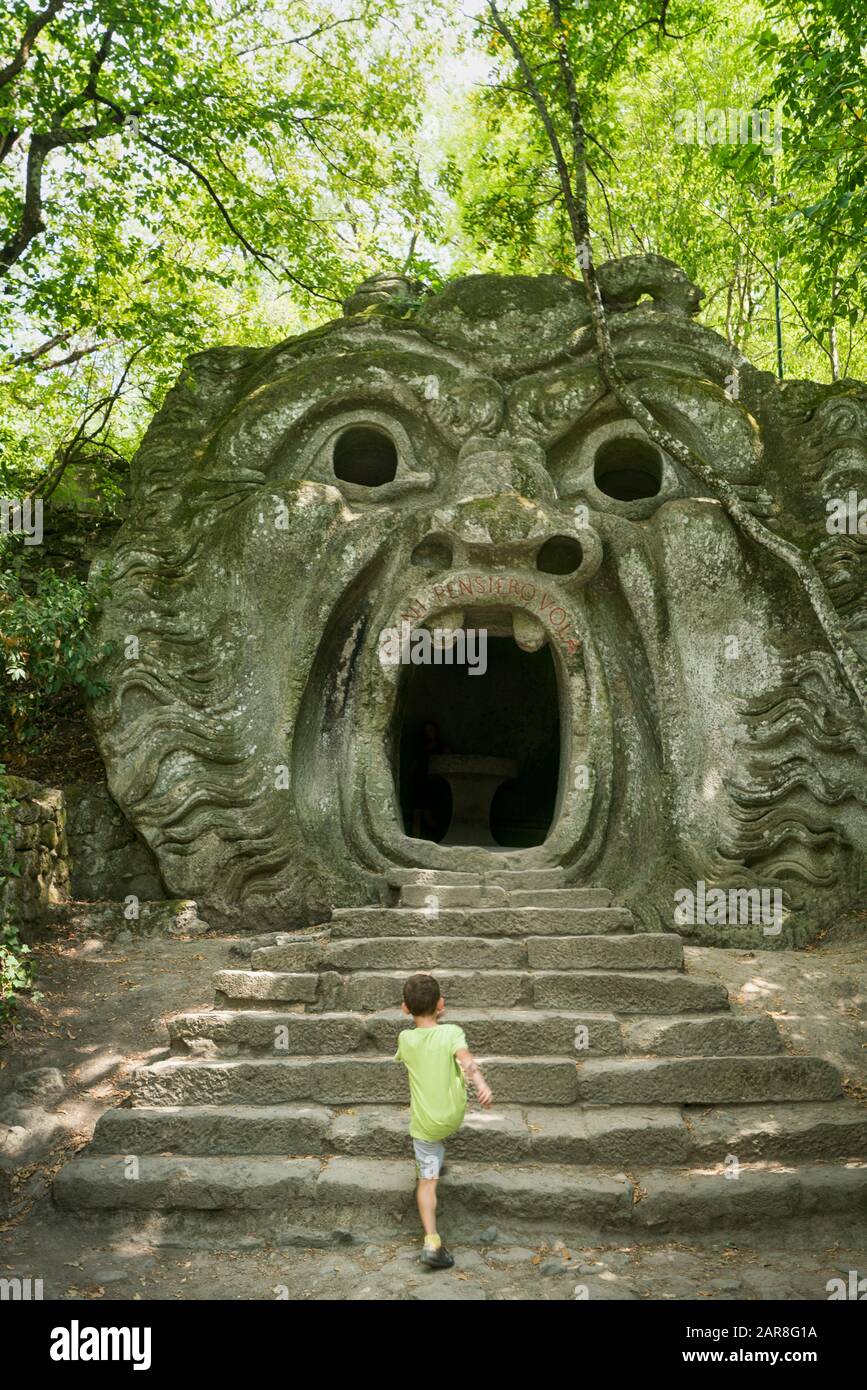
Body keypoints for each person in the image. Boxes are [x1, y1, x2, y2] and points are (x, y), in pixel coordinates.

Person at [393, 972, 493, 1269]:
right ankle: (436, 1157)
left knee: (427, 1182)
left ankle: (432, 1243)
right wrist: (481, 1083)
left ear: (404, 1008)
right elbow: (467, 1060)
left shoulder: (405, 1038)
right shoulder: (452, 1033)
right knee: (435, 1139)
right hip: (454, 1114)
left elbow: (405, 1056)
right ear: (441, 1004)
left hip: (426, 1125)